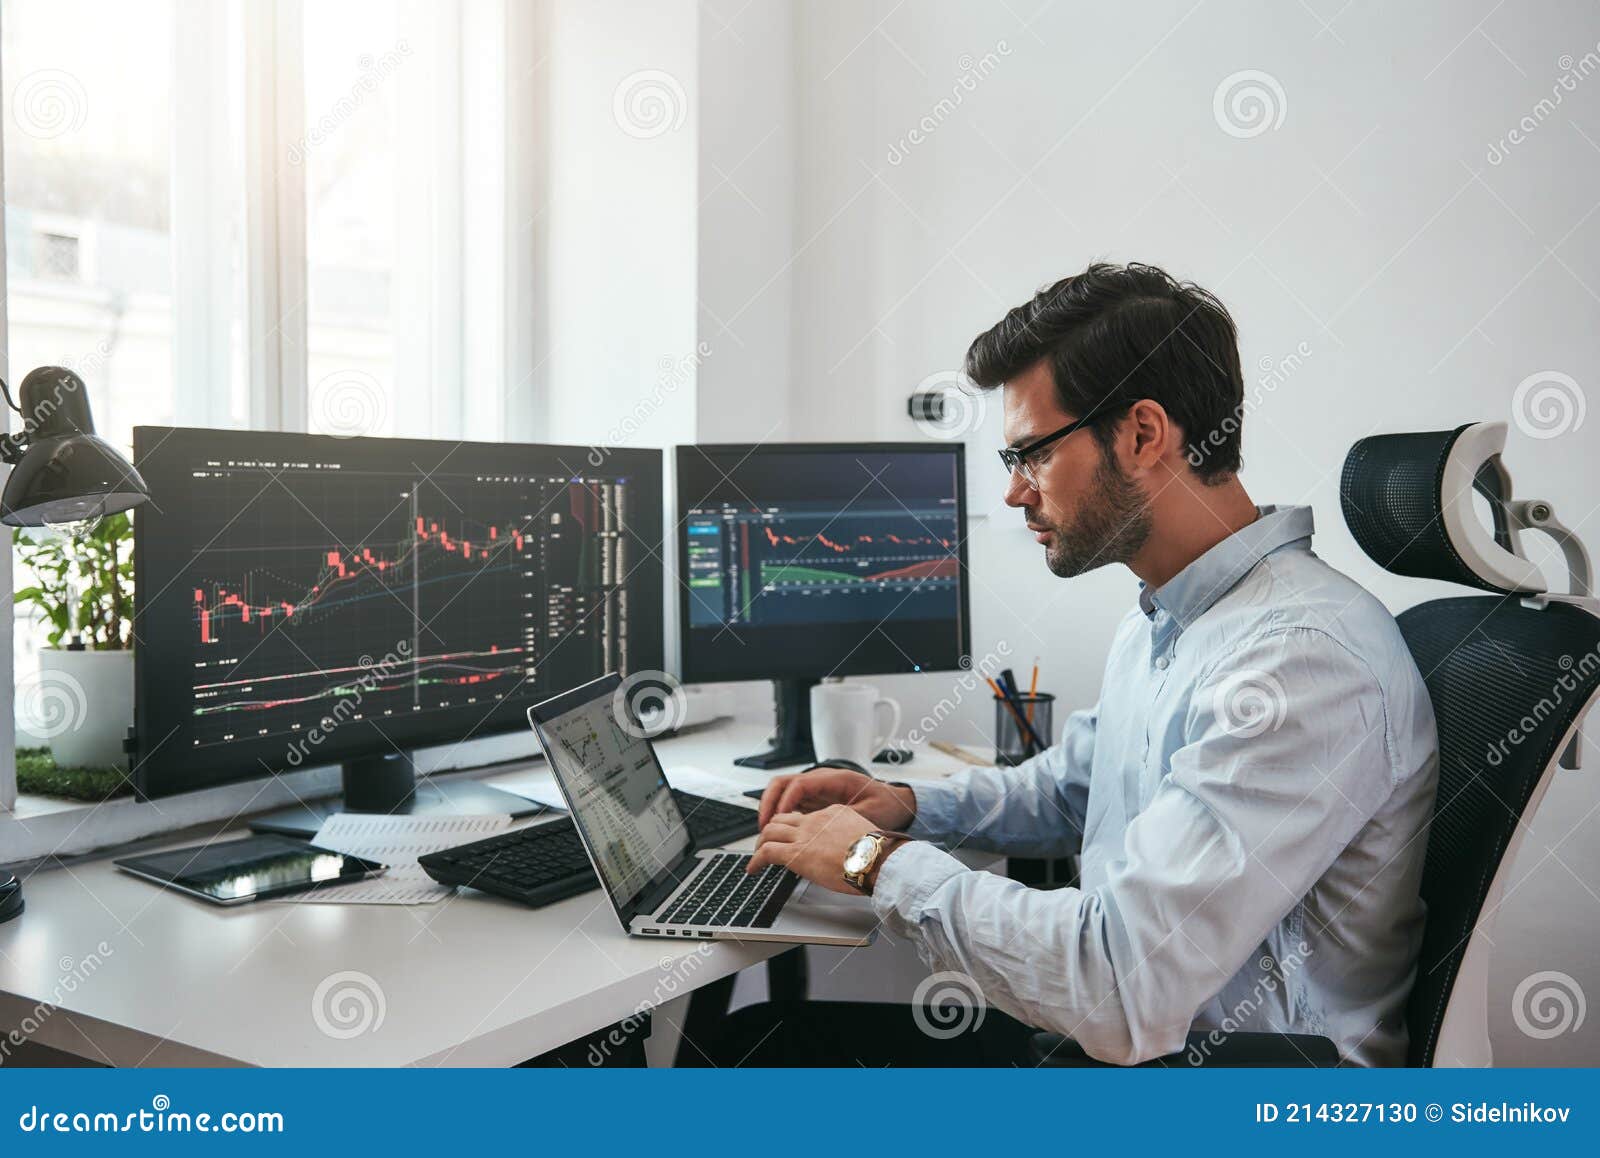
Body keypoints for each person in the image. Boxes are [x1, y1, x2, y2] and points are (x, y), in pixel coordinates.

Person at [712, 262, 1438, 1067]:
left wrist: (868, 860)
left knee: (746, 1065)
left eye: (1030, 456)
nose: (1018, 495)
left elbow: (1119, 989)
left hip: (1228, 1094)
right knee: (758, 1043)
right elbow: (1071, 787)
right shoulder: (1170, 615)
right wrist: (905, 806)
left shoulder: (1298, 660)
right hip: (1134, 1053)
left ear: (1142, 435)